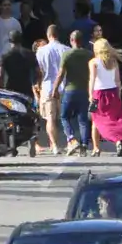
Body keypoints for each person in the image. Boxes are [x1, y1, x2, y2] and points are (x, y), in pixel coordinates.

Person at [89, 40, 122, 154]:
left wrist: (90, 94)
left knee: (96, 120)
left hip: (98, 95)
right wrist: (118, 95)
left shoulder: (93, 62)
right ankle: (118, 140)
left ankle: (96, 147)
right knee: (114, 119)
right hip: (113, 93)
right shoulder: (113, 62)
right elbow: (118, 81)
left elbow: (92, 80)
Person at [59, 30, 95, 155]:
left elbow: (61, 74)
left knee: (64, 116)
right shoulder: (90, 55)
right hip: (85, 90)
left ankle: (72, 139)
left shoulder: (67, 54)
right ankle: (84, 146)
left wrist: (55, 88)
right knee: (83, 119)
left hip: (70, 90)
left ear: (71, 40)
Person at [35, 25, 66, 156]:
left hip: (47, 87)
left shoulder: (41, 51)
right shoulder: (66, 49)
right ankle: (71, 141)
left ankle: (54, 145)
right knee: (65, 117)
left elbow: (39, 72)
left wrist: (37, 86)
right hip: (63, 87)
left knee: (50, 118)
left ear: (48, 35)